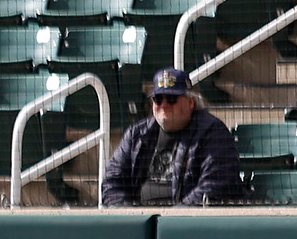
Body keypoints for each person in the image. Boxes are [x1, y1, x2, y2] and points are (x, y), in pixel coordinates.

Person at [101, 68, 243, 207]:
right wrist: (129, 216)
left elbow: (214, 186)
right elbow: (112, 181)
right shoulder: (136, 134)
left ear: (190, 103)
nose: (164, 105)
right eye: (158, 99)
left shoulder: (213, 132)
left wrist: (172, 218)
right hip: (140, 221)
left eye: (172, 98)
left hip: (186, 224)